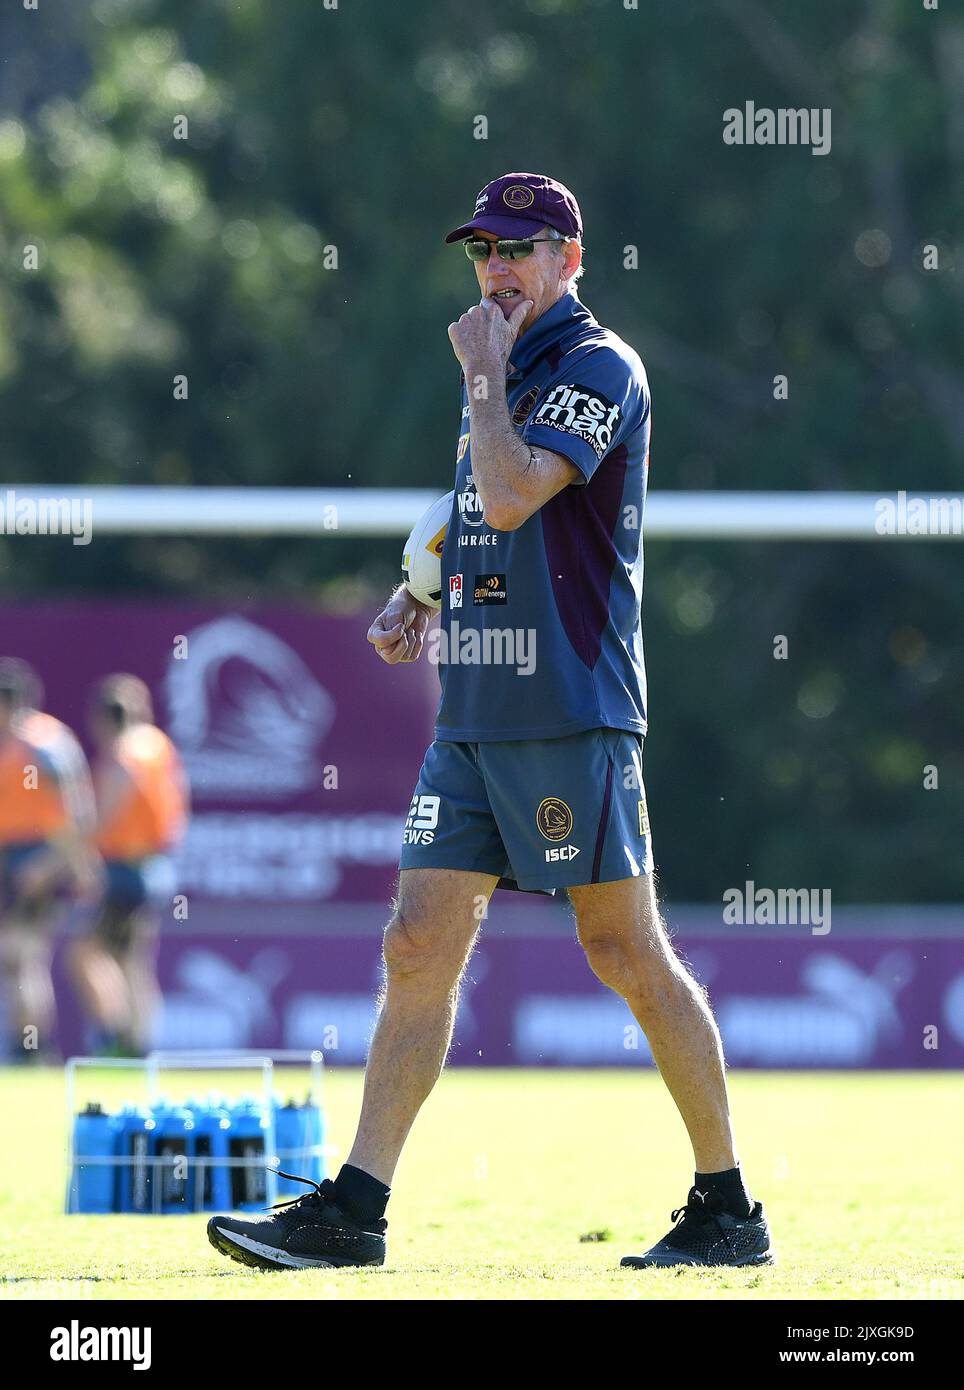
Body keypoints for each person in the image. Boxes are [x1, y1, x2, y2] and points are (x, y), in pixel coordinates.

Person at [208, 172, 773, 1271]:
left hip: (568, 705)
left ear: (570, 258)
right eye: (482, 252)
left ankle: (727, 1206)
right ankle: (353, 1211)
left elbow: (516, 489)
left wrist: (479, 374)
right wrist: (420, 593)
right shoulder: (505, 371)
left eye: (518, 250)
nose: (496, 271)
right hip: (472, 711)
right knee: (416, 941)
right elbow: (477, 506)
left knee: (624, 951)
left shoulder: (596, 366)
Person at [67, 674, 188, 1057]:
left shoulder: (122, 752)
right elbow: (178, 805)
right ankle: (142, 1044)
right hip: (156, 864)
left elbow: (106, 814)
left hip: (123, 869)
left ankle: (114, 1037)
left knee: (85, 953)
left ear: (103, 720)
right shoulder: (159, 745)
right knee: (133, 960)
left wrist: (84, 848)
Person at [0, 658, 98, 1061]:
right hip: (12, 860)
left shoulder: (46, 745)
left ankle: (32, 1051)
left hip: (39, 860)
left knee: (23, 955)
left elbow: (80, 814)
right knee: (16, 959)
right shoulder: (10, 743)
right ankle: (30, 1049)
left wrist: (50, 865)